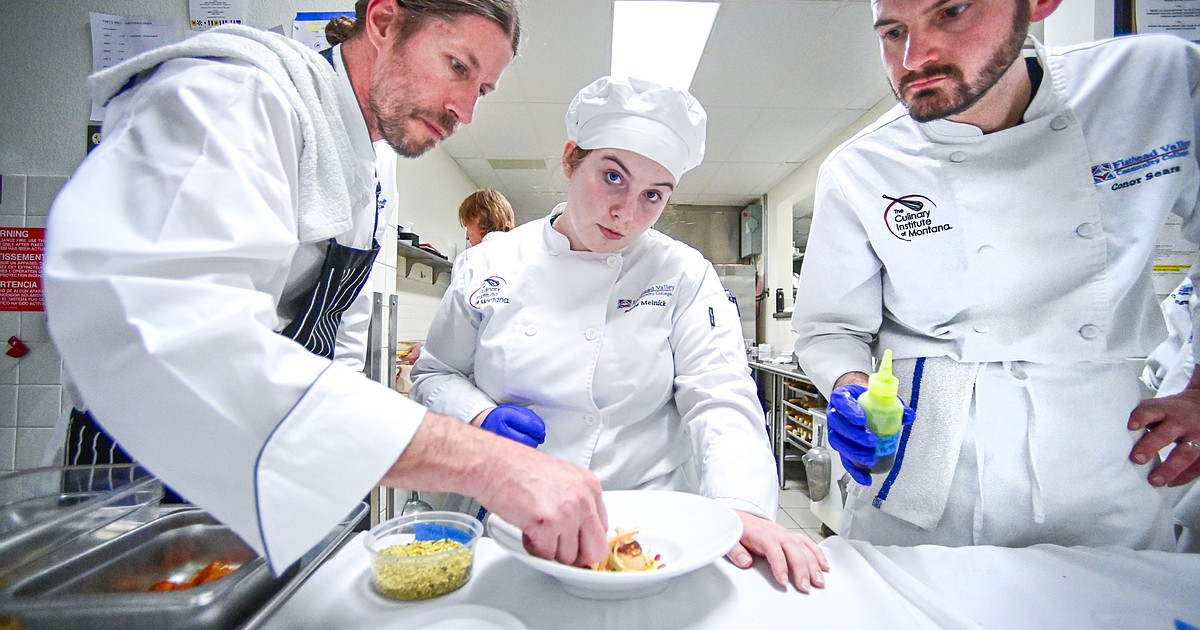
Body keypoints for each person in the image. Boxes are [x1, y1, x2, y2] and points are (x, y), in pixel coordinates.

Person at [42, 0, 610, 573]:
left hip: (266, 481)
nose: (464, 109)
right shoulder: (239, 97)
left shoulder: (367, 161)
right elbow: (170, 336)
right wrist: (485, 462)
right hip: (142, 485)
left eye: (482, 89)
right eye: (458, 66)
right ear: (385, 22)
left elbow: (335, 343)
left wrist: (339, 469)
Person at [792, 0, 1200, 550]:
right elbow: (831, 327)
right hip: (930, 467)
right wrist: (849, 384)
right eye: (893, 32)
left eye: (953, 12)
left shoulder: (1157, 82)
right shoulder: (861, 166)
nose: (915, 57)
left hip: (1102, 457)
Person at [411, 76, 830, 591]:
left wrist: (743, 507)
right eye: (612, 177)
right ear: (570, 160)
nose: (627, 213)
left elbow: (719, 395)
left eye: (653, 195)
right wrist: (479, 414)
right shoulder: (490, 262)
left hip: (652, 518)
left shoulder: (682, 273)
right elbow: (434, 372)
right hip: (519, 512)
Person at [399, 188, 516, 368]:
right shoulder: (524, 253)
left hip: (482, 369)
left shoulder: (470, 258)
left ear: (478, 218)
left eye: (468, 226)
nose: (467, 236)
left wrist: (427, 351)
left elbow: (457, 330)